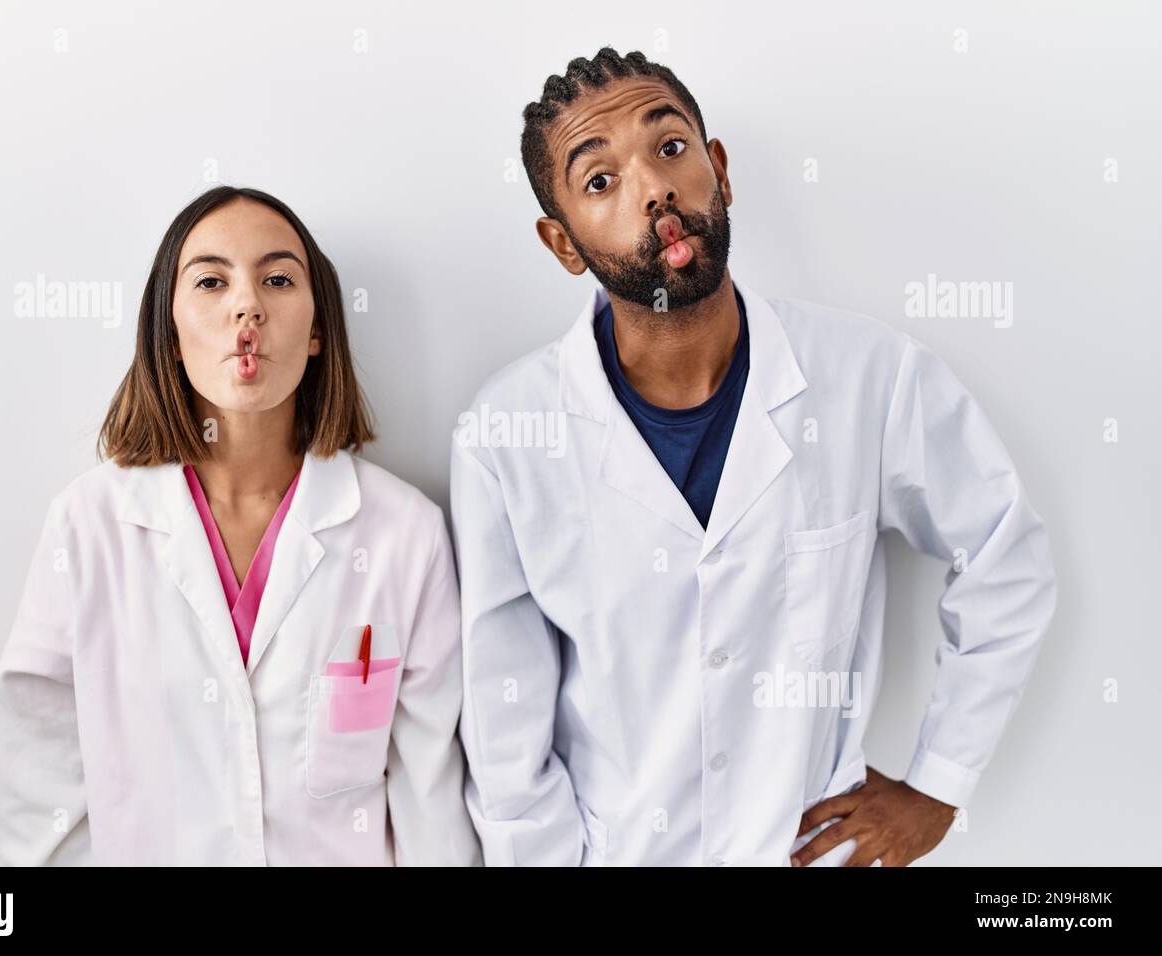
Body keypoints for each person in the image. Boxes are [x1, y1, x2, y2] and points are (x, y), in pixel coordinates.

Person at [450, 48, 1056, 866]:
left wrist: (938, 786)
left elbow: (1005, 557)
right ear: (562, 243)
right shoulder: (506, 436)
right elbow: (503, 712)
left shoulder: (867, 378)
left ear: (720, 172)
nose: (654, 190)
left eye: (670, 149)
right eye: (600, 181)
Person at [0, 186, 480, 866]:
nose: (246, 306)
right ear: (170, 330)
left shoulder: (404, 536)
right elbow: (38, 771)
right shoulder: (89, 526)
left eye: (277, 279)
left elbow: (429, 801)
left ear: (317, 332)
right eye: (212, 282)